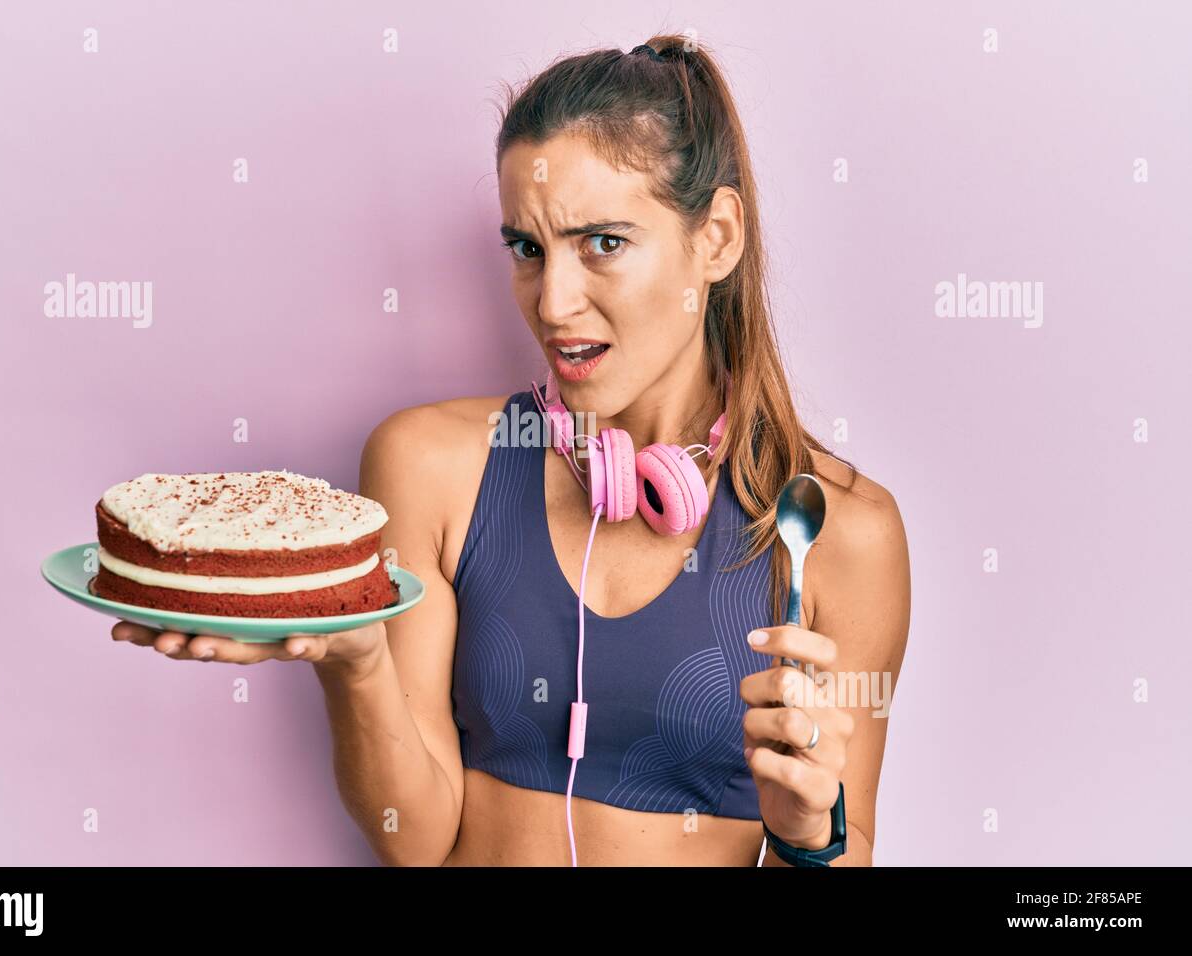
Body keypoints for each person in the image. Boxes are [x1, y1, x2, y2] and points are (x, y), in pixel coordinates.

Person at [111, 35, 911, 867]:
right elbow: (414, 841)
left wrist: (809, 832)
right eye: (528, 249)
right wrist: (355, 661)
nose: (555, 303)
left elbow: (841, 857)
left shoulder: (831, 532)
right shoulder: (428, 466)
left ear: (714, 238)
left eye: (602, 242)